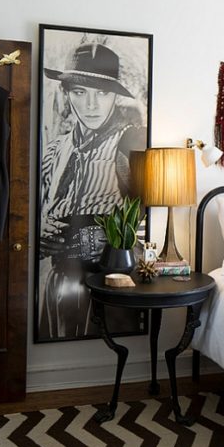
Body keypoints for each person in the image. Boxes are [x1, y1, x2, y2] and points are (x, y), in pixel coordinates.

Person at [38, 42, 146, 340]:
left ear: (114, 97)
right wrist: (43, 234)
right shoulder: (55, 149)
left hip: (108, 274)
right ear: (66, 93)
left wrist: (106, 238)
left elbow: (145, 215)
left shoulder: (128, 142)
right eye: (80, 92)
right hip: (61, 277)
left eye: (103, 93)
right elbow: (43, 207)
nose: (92, 105)